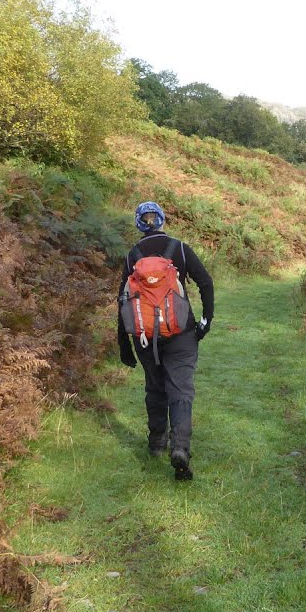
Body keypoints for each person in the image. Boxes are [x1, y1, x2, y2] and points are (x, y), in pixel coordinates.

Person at [117, 201, 214, 481]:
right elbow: (205, 282)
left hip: (144, 335)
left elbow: (122, 301)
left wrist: (125, 343)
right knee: (181, 389)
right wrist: (205, 322)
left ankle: (156, 443)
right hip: (182, 332)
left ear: (139, 224)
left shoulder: (132, 256)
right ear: (162, 221)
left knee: (154, 386)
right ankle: (180, 447)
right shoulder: (180, 249)